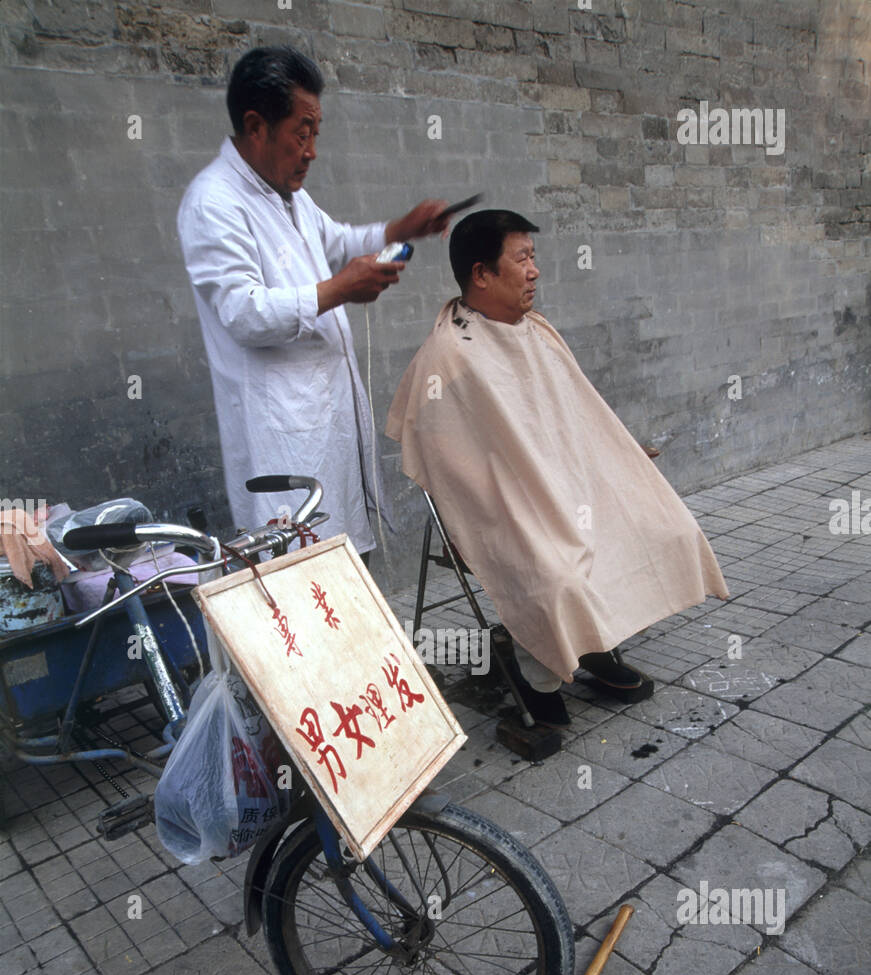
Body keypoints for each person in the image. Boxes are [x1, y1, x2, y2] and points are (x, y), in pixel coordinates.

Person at [386, 209, 729, 724]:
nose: (534, 271)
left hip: (572, 488)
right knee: (559, 575)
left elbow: (575, 418)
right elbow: (450, 468)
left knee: (665, 527)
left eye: (533, 258)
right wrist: (473, 520)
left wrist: (618, 455)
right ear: (481, 274)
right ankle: (537, 674)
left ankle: (596, 644)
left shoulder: (537, 333)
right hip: (505, 510)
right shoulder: (446, 359)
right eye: (522, 259)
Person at [177, 46, 451, 557]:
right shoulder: (214, 203)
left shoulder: (288, 195)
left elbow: (337, 241)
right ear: (256, 126)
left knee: (344, 558)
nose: (311, 151)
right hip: (283, 432)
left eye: (315, 135)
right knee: (303, 575)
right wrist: (339, 289)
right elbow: (243, 311)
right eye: (301, 133)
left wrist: (400, 229)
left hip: (326, 422)